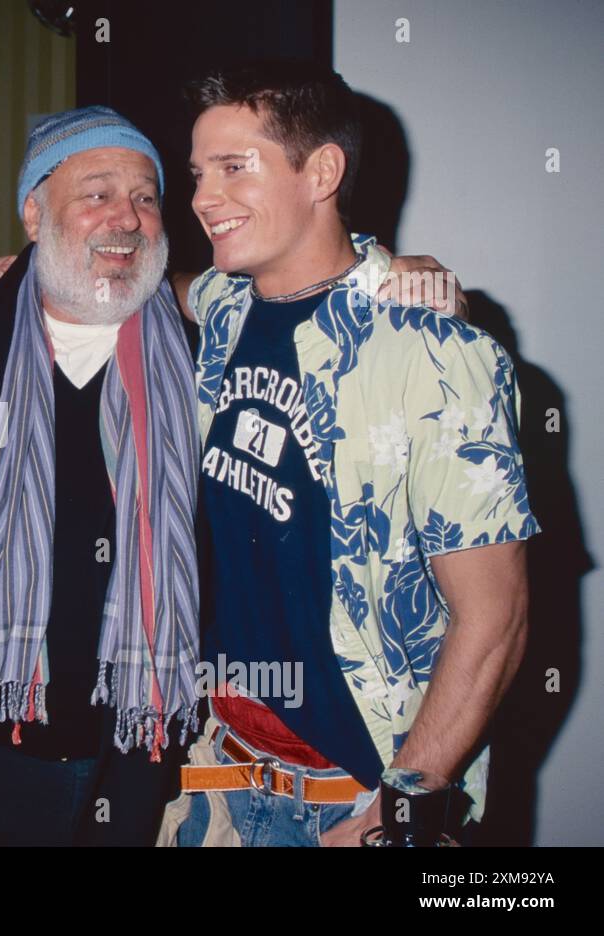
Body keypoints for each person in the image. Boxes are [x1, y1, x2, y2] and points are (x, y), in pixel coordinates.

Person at [163, 61, 536, 847]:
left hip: (356, 801)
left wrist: (400, 812)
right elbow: (150, 287)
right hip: (222, 773)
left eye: (235, 168)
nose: (202, 197)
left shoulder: (436, 352)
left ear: (322, 171)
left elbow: (494, 617)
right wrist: (15, 273)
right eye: (199, 173)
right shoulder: (226, 308)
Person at [0, 107, 201, 846]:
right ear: (34, 213)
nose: (126, 218)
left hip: (154, 756)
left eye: (146, 196)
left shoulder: (205, 361)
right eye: (97, 193)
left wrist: (386, 270)